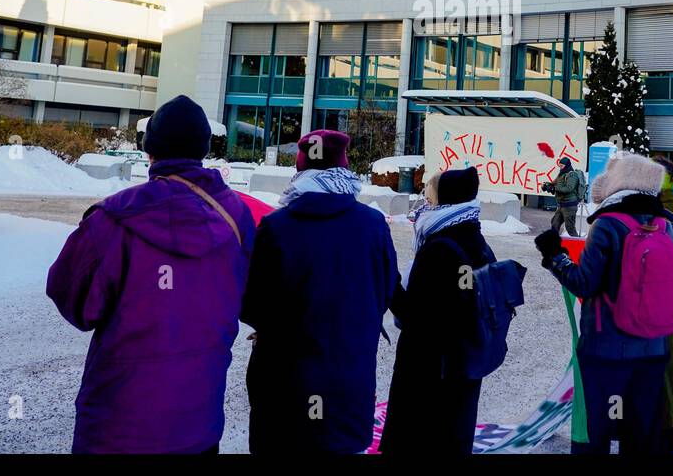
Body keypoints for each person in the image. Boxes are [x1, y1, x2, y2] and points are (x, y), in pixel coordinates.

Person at [46, 95, 252, 454]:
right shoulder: (237, 215)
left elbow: (75, 303)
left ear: (149, 150)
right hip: (199, 421)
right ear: (203, 148)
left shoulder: (112, 218)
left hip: (117, 426)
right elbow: (248, 293)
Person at [242, 130, 399, 454]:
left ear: (299, 173)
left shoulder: (276, 227)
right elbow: (385, 291)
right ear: (343, 170)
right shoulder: (373, 225)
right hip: (348, 379)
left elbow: (251, 304)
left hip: (284, 384)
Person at [534, 153, 673, 455]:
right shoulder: (670, 229)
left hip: (606, 349)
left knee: (597, 432)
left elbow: (584, 282)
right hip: (654, 350)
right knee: (639, 433)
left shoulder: (607, 225)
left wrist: (556, 257)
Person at [381, 166, 499, 454]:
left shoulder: (439, 249)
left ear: (444, 200)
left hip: (429, 374)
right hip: (464, 365)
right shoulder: (477, 242)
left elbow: (414, 317)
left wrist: (390, 283)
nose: (425, 203)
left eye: (429, 196)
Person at [547, 156, 585, 237]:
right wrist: (547, 185)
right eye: (559, 166)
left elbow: (569, 188)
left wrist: (555, 188)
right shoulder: (561, 174)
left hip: (570, 205)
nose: (560, 168)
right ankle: (553, 245)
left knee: (570, 228)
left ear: (567, 165)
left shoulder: (572, 175)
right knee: (555, 224)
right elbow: (554, 183)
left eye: (562, 166)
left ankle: (578, 247)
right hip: (561, 205)